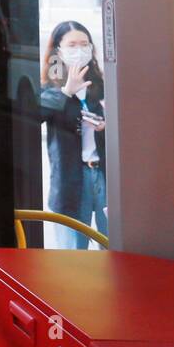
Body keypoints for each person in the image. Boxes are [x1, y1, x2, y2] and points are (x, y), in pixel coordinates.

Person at [38, 20, 107, 249]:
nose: (79, 50)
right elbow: (36, 116)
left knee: (114, 243)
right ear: (59, 50)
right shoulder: (51, 86)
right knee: (73, 252)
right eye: (72, 45)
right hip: (71, 179)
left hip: (103, 173)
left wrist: (107, 125)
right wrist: (67, 91)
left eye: (84, 44)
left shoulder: (100, 82)